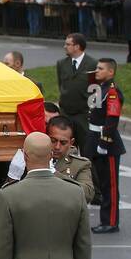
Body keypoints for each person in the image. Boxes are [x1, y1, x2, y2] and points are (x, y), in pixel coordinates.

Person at [87, 57, 125, 234]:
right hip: (96, 138)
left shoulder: (112, 92)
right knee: (103, 184)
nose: (97, 71)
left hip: (107, 142)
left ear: (111, 72)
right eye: (97, 68)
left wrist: (104, 141)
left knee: (110, 185)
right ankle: (105, 219)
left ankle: (110, 222)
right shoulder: (100, 88)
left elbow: (112, 118)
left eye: (101, 69)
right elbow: (93, 110)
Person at [56, 33, 97, 165]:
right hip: (66, 114)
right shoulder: (62, 64)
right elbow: (61, 85)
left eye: (68, 44)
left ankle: (89, 182)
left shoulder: (92, 64)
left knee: (87, 152)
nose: (65, 47)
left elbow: (96, 91)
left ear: (77, 46)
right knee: (64, 151)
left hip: (83, 115)